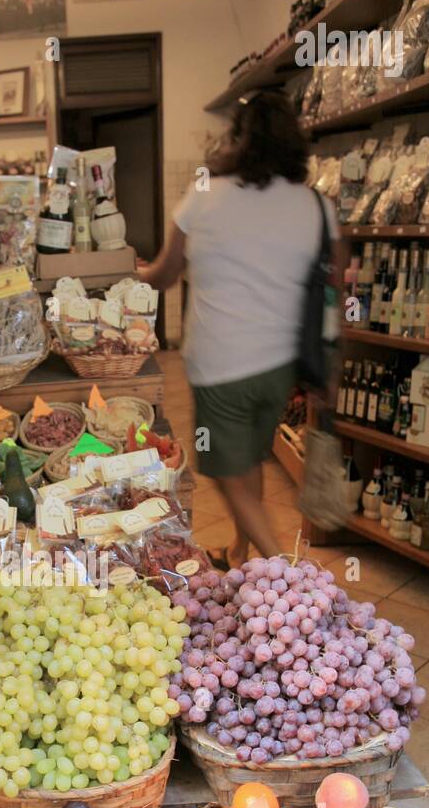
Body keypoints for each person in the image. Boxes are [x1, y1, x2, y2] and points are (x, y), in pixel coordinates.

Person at [139, 90, 337, 567]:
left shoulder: (205, 194)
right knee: (249, 458)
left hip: (221, 365)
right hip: (279, 368)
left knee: (229, 474)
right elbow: (332, 292)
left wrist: (135, 269)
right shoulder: (317, 206)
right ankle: (241, 550)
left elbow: (165, 275)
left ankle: (288, 574)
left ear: (238, 140)